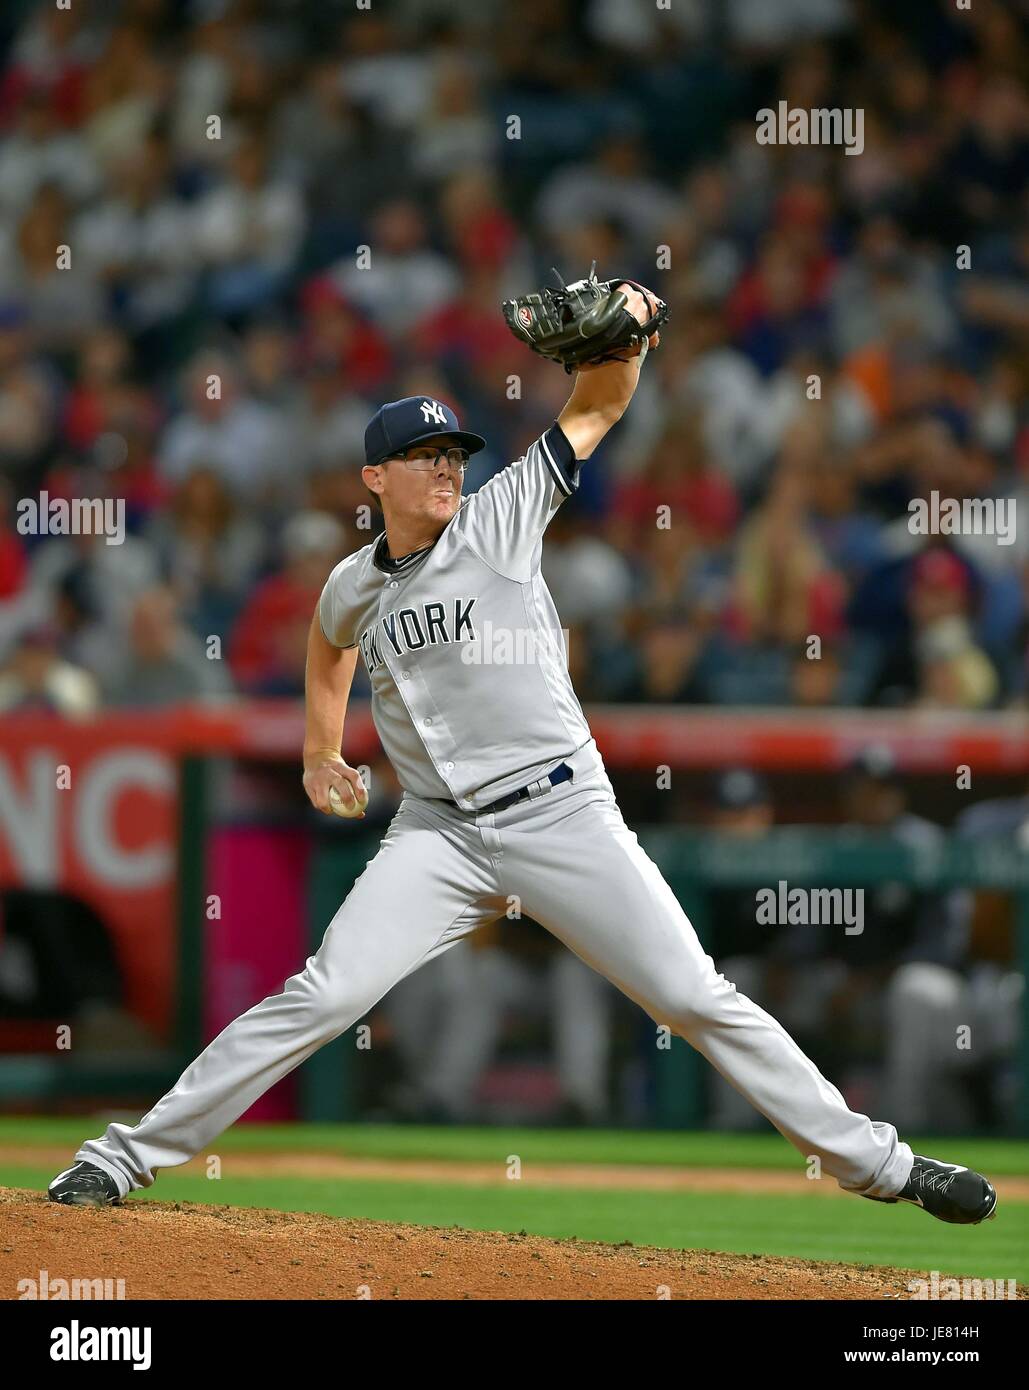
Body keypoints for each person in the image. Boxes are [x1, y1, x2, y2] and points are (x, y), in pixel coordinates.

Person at [49, 286, 997, 1225]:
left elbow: (598, 405)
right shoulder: (349, 583)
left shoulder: (496, 518)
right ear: (373, 480)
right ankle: (122, 1159)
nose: (445, 469)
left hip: (559, 811)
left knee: (694, 996)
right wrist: (316, 750)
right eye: (422, 457)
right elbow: (328, 642)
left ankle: (883, 1165)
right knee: (323, 993)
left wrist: (628, 326)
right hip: (435, 837)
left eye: (452, 452)